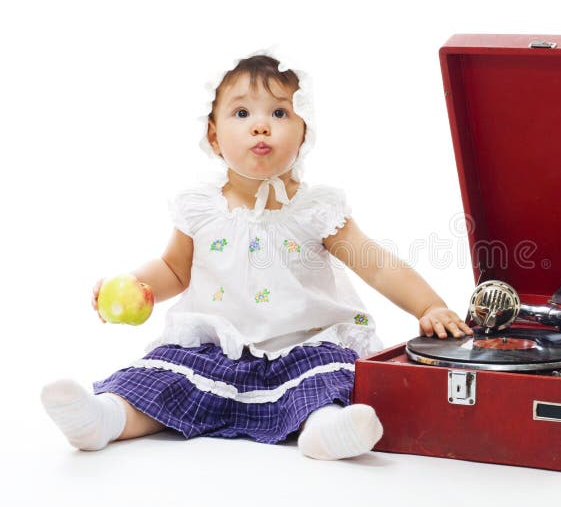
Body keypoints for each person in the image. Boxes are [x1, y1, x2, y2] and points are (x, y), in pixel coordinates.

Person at [40, 49, 472, 460]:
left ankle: (323, 429)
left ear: (304, 132)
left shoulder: (315, 209)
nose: (261, 126)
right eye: (242, 113)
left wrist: (428, 305)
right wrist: (138, 284)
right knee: (163, 375)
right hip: (215, 348)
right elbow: (174, 268)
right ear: (213, 135)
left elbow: (376, 264)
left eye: (280, 113)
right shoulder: (200, 206)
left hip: (302, 346)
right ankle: (105, 418)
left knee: (329, 378)